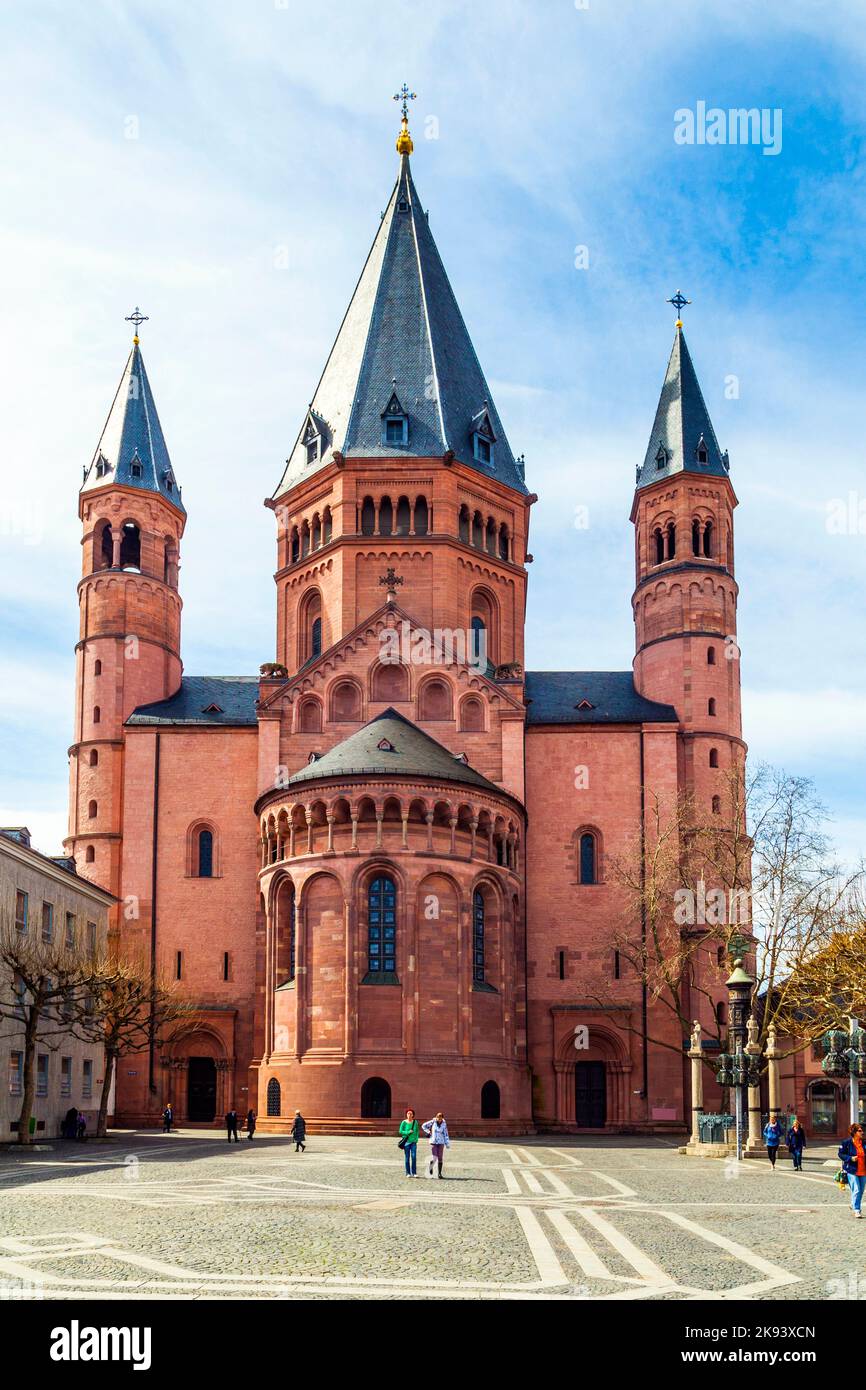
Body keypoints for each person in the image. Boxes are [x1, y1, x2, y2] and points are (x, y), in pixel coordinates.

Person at [838, 1123, 866, 1218]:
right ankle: (857, 1210)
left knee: (861, 1191)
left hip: (863, 1171)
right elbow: (840, 1154)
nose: (862, 1132)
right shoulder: (846, 1143)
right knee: (857, 1190)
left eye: (862, 1130)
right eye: (860, 1130)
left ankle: (853, 1204)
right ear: (854, 1132)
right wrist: (850, 1158)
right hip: (852, 1170)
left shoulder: (864, 1143)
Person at [421, 1112, 450, 1179]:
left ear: (442, 1118)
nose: (439, 1119)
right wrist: (429, 1132)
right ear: (436, 1117)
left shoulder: (444, 1124)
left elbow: (446, 1134)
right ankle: (430, 1168)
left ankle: (439, 1174)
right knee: (434, 1157)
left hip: (441, 1142)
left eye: (440, 1118)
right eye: (438, 1118)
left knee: (440, 1158)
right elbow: (423, 1126)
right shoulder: (432, 1122)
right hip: (433, 1142)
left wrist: (447, 1143)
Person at [399, 1108, 419, 1177]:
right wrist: (407, 1132)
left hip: (413, 1142)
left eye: (411, 1113)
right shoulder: (403, 1122)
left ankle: (414, 1172)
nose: (409, 1115)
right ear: (406, 1114)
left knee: (414, 1157)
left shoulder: (415, 1122)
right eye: (408, 1113)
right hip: (406, 1142)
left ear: (413, 1115)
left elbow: (417, 1131)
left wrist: (416, 1139)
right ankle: (408, 1173)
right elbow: (400, 1131)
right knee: (407, 1158)